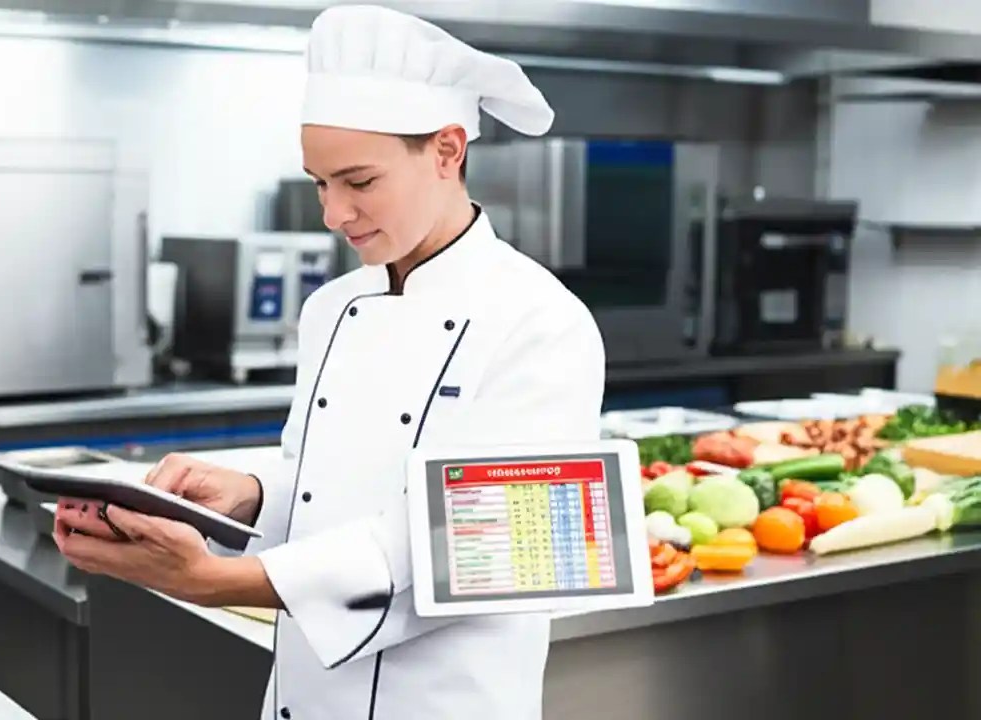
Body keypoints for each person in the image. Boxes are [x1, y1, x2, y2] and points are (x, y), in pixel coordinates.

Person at [52, 4, 606, 718]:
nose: (332, 213)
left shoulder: (542, 321)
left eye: (359, 181)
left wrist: (215, 580)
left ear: (447, 150)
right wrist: (251, 493)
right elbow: (340, 486)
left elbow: (459, 550)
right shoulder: (331, 307)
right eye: (319, 183)